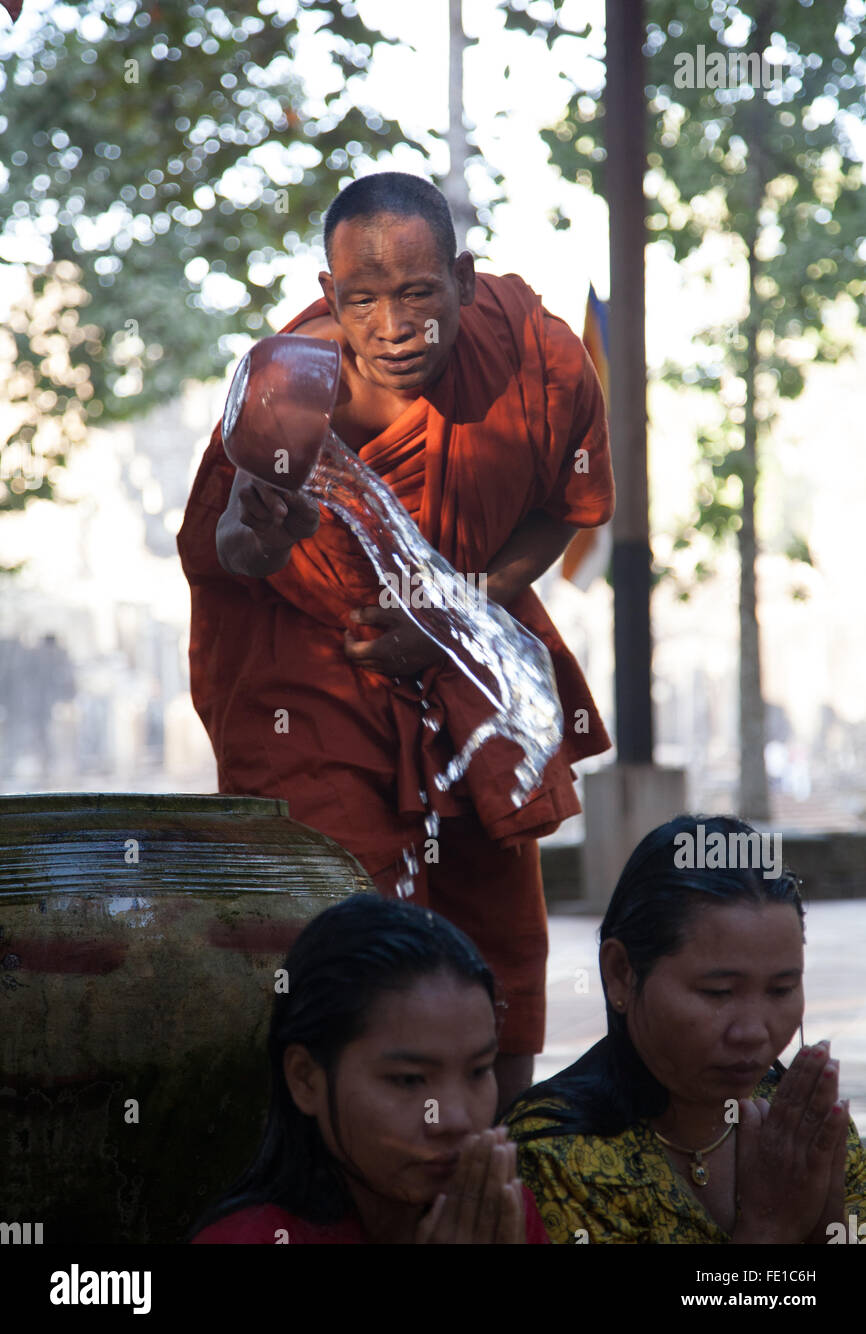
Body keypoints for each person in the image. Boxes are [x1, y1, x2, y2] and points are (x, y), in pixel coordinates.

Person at [177, 171, 615, 1107]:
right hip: (315, 679)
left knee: (494, 931)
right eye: (362, 299)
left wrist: (459, 609)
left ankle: (490, 1165)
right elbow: (227, 545)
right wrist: (265, 533)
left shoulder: (535, 358)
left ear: (461, 276)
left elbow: (559, 511)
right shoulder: (285, 388)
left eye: (419, 293)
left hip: (465, 669)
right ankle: (336, 1178)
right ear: (329, 294)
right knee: (346, 935)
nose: (394, 328)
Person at [505, 815, 866, 1244]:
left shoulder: (804, 1124)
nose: (753, 1032)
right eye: (718, 992)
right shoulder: (552, 1153)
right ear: (620, 973)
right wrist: (770, 1229)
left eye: (782, 988)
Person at [190, 894, 548, 1244]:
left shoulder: (497, 1214)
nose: (455, 1119)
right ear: (305, 1079)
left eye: (479, 1070)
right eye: (409, 1079)